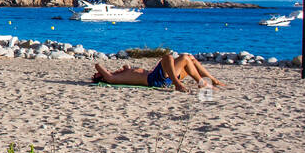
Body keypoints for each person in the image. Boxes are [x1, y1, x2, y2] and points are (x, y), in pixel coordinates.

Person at [91, 53, 224, 92]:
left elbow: (128, 67)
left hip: (162, 77)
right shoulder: (112, 78)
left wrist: (123, 69)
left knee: (188, 58)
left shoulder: (119, 74)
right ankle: (179, 84)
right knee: (168, 57)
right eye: (97, 75)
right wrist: (102, 74)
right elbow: (98, 65)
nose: (96, 73)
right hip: (155, 79)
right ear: (101, 77)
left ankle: (212, 80)